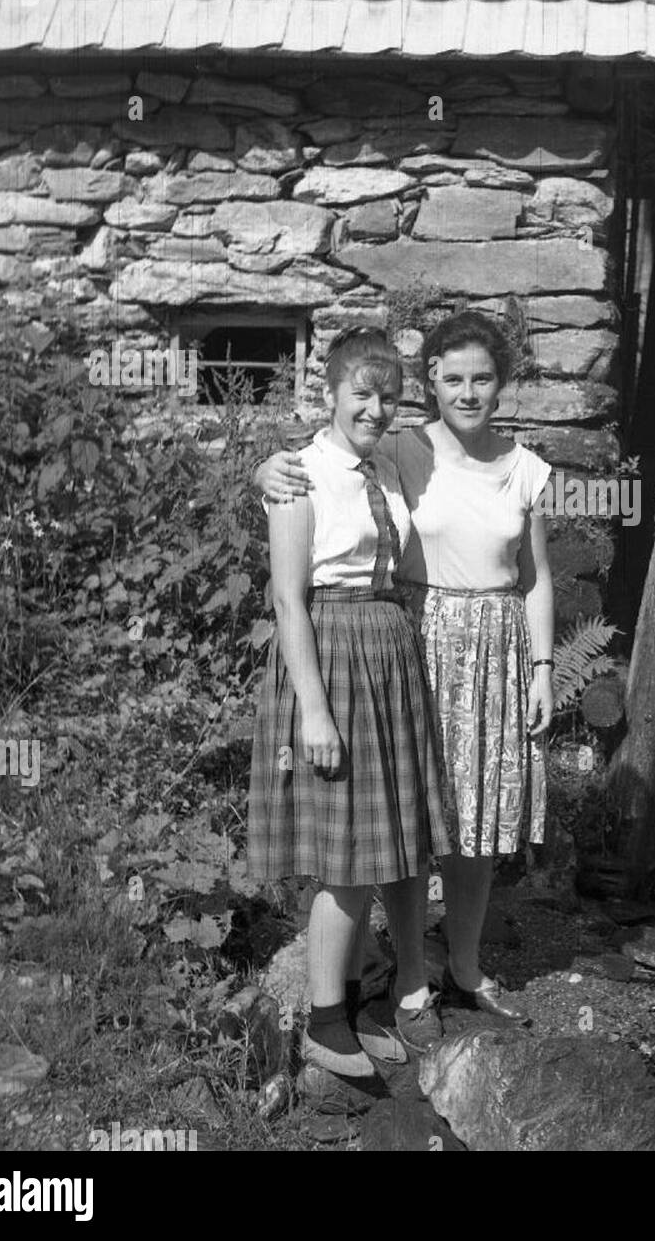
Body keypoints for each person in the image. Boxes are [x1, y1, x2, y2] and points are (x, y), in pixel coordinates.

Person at [256, 311, 554, 1030]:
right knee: (406, 818)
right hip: (414, 635)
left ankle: (464, 963)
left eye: (483, 378)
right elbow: (317, 461)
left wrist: (543, 666)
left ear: (502, 384)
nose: (469, 391)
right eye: (453, 379)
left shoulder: (526, 467)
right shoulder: (401, 448)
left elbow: (537, 575)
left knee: (474, 820)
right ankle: (407, 975)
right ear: (433, 387)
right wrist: (260, 468)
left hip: (489, 648)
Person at [248, 327, 453, 1074]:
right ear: (330, 394)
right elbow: (288, 600)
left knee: (394, 836)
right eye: (360, 393)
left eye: (388, 394)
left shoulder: (389, 465)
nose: (375, 407)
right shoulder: (299, 475)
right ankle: (322, 1018)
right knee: (349, 854)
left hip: (386, 654)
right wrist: (313, 710)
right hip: (331, 655)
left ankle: (391, 982)